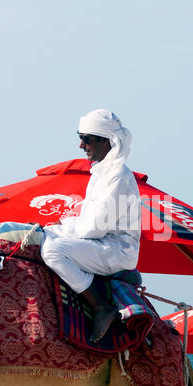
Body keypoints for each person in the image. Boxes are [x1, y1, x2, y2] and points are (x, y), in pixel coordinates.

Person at [41, 109, 141, 344]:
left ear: (105, 141)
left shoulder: (117, 177)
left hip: (116, 250)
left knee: (53, 251)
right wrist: (57, 226)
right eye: (80, 137)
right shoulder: (101, 173)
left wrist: (61, 226)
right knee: (45, 237)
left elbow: (92, 228)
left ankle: (100, 307)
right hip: (101, 242)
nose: (81, 145)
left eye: (86, 138)